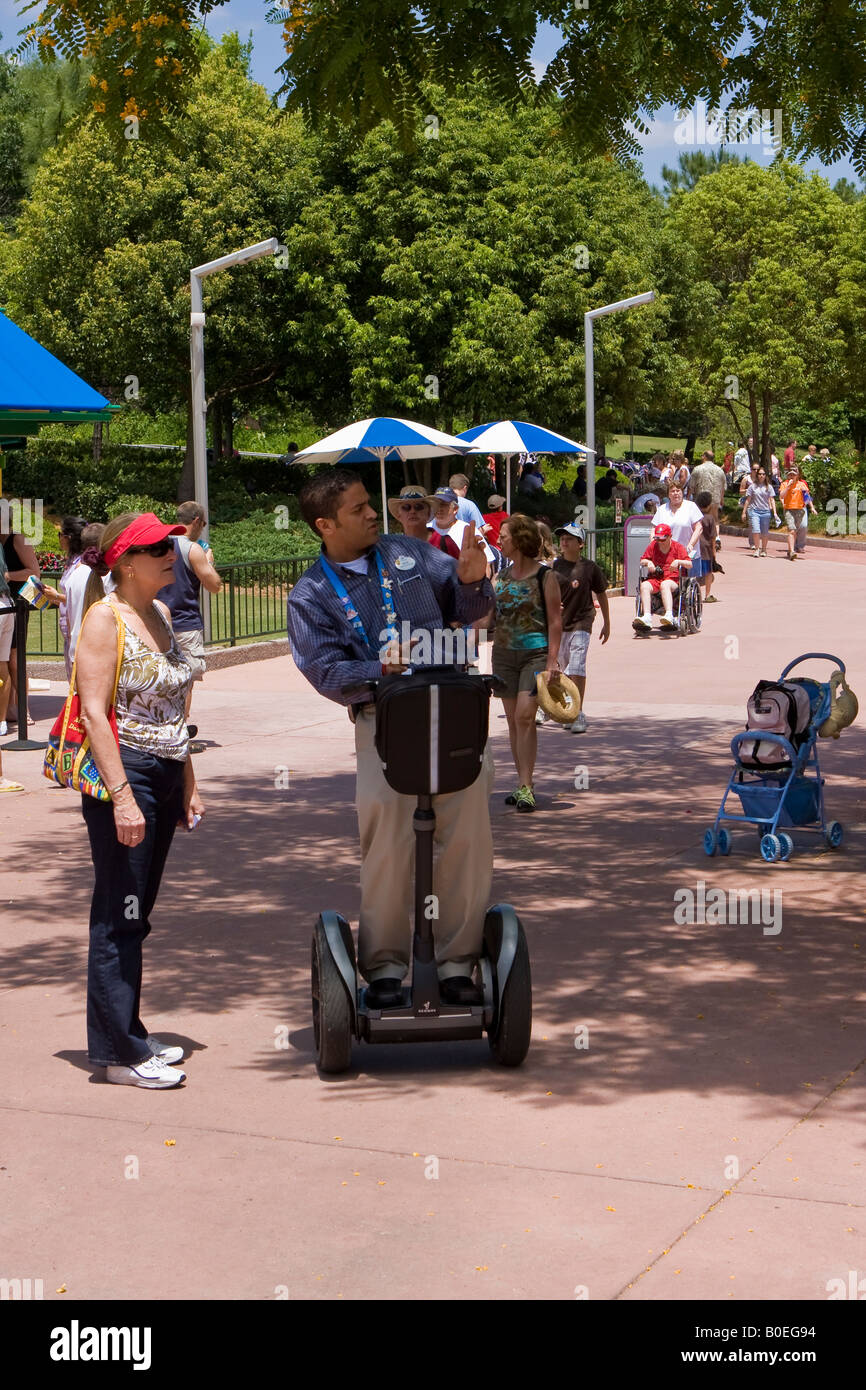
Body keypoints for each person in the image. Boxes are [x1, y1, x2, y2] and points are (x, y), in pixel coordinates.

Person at [286, 470, 495, 1007]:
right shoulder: (310, 594)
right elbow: (322, 670)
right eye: (358, 509)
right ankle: (383, 966)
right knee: (387, 846)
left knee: (466, 841)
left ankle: (456, 963)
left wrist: (473, 583)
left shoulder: (409, 553)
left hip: (452, 708)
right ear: (324, 525)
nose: (373, 513)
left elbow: (469, 613)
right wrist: (379, 668)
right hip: (383, 722)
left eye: (369, 504)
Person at [76, 512, 204, 1088]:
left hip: (166, 769)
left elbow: (176, 707)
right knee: (119, 913)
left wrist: (189, 779)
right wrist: (123, 798)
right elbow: (93, 713)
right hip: (126, 774)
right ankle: (117, 1053)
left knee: (137, 913)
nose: (170, 553)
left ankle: (126, 1030)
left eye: (171, 545)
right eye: (157, 548)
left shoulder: (162, 613)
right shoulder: (106, 620)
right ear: (126, 561)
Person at [493, 514, 562, 811]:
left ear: (519, 540)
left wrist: (552, 662)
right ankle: (521, 782)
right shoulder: (501, 577)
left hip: (535, 653)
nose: (499, 541)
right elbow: (488, 617)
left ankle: (526, 784)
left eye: (503, 536)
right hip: (504, 655)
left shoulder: (544, 576)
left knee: (524, 717)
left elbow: (556, 622)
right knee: (512, 721)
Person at [156, 502, 222, 747]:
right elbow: (214, 586)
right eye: (203, 524)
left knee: (161, 678)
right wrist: (208, 562)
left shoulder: (159, 545)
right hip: (185, 623)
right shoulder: (192, 549)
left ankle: (162, 727)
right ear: (196, 521)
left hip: (156, 621)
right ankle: (179, 732)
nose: (203, 528)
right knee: (185, 679)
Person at [550, 522, 610, 732]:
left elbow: (601, 593)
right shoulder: (554, 567)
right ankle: (568, 707)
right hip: (560, 624)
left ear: (580, 544)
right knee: (565, 668)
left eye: (569, 539)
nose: (564, 542)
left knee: (577, 666)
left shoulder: (589, 567)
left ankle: (578, 712)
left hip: (582, 621)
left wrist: (607, 622)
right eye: (562, 538)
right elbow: (545, 592)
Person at [0, 522, 41, 727]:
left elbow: (34, 572)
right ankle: (8, 708)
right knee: (4, 660)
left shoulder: (19, 538)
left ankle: (24, 710)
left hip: (18, 603)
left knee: (15, 659)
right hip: (7, 604)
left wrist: (8, 576)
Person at [633, 523, 692, 631]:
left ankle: (669, 615)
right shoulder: (653, 545)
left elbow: (689, 564)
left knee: (665, 585)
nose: (660, 542)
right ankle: (646, 617)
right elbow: (642, 560)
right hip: (656, 578)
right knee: (645, 585)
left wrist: (678, 561)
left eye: (662, 539)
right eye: (657, 539)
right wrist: (648, 562)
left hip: (672, 579)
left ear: (670, 536)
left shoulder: (678, 547)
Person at [426, 487, 494, 563]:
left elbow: (487, 562)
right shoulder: (425, 529)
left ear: (455, 509)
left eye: (444, 505)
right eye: (437, 504)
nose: (439, 509)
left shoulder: (469, 531)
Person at [652, 481, 703, 565]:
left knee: (689, 578)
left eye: (678, 490)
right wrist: (653, 545)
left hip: (688, 555)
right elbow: (654, 530)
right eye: (672, 491)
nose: (675, 493)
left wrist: (691, 544)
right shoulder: (662, 509)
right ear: (668, 495)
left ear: (682, 493)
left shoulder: (691, 506)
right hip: (667, 555)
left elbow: (699, 528)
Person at [779, 463, 816, 559]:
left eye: (793, 474)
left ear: (797, 475)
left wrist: (812, 507)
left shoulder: (802, 485)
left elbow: (807, 498)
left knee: (795, 530)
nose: (792, 476)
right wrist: (788, 487)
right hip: (789, 510)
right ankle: (792, 551)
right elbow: (781, 496)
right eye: (790, 474)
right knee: (791, 530)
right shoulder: (784, 484)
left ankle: (791, 549)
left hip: (800, 510)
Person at [740, 466, 779, 556]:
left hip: (765, 512)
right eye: (760, 474)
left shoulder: (769, 487)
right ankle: (757, 549)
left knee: (765, 532)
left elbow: (772, 499)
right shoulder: (752, 487)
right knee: (756, 530)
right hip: (754, 511)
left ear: (765, 476)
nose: (761, 476)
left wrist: (775, 512)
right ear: (757, 475)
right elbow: (748, 499)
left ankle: (764, 549)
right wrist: (744, 512)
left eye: (763, 474)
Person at [688, 451, 726, 526]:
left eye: (702, 455)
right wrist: (721, 499)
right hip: (715, 499)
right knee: (715, 519)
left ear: (704, 457)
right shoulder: (720, 470)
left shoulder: (697, 469)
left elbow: (691, 486)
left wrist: (688, 498)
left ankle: (701, 536)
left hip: (701, 499)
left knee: (700, 519)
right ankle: (716, 536)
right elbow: (723, 487)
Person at [693, 492, 718, 600]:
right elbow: (713, 537)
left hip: (695, 548)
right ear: (709, 505)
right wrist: (714, 552)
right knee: (708, 572)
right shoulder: (710, 518)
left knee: (694, 573)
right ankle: (707, 594)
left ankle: (693, 593)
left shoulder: (695, 517)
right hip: (707, 549)